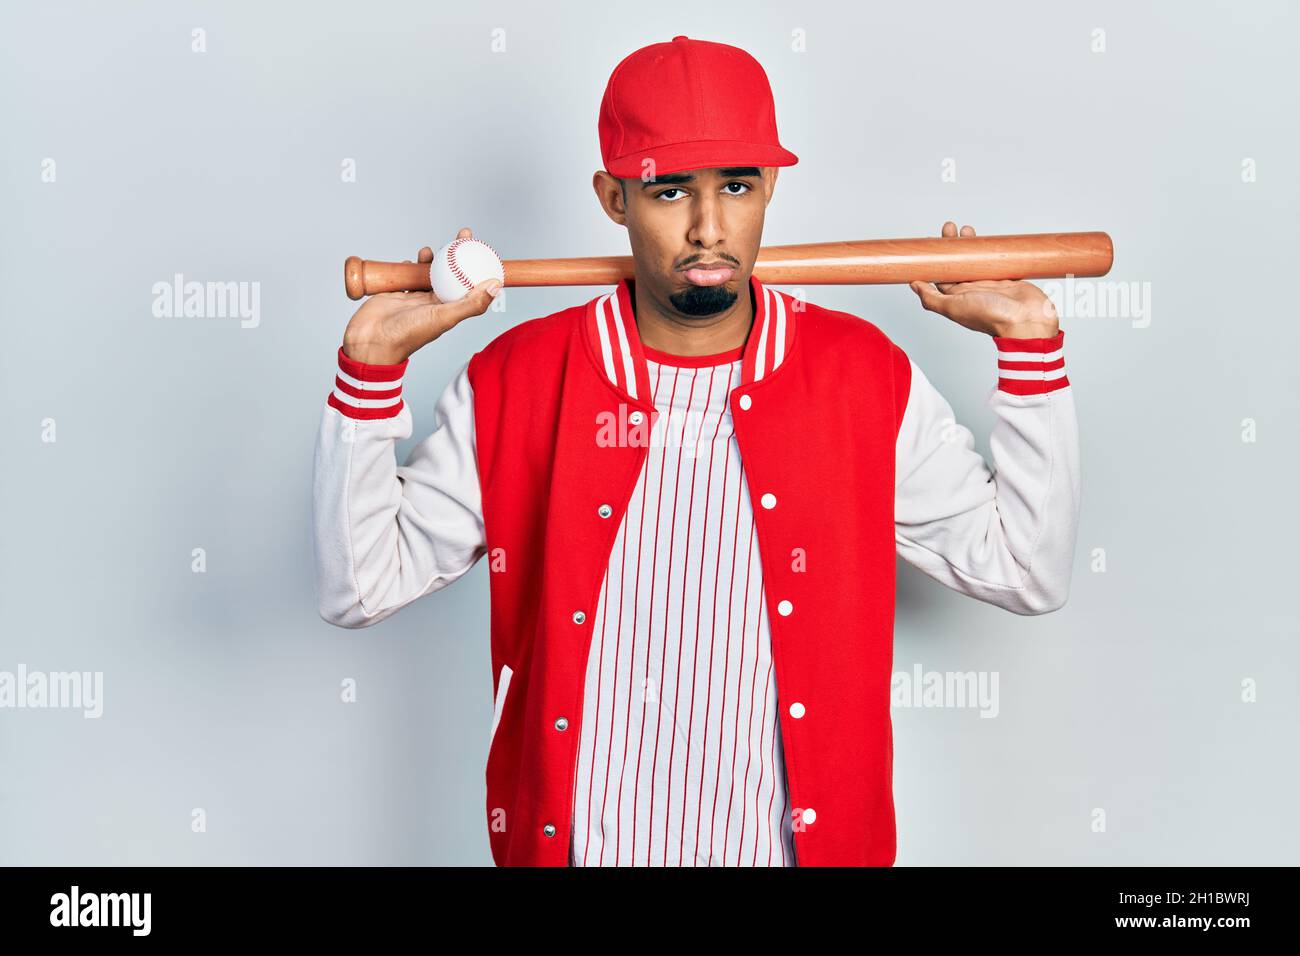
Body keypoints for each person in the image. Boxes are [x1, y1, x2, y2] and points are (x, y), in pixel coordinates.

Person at [312, 36, 1080, 867]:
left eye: (737, 187)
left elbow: (1024, 570)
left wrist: (1029, 342)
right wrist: (371, 372)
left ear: (770, 189)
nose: (709, 229)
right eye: (669, 190)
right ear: (614, 198)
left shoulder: (861, 378)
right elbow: (361, 586)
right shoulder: (519, 382)